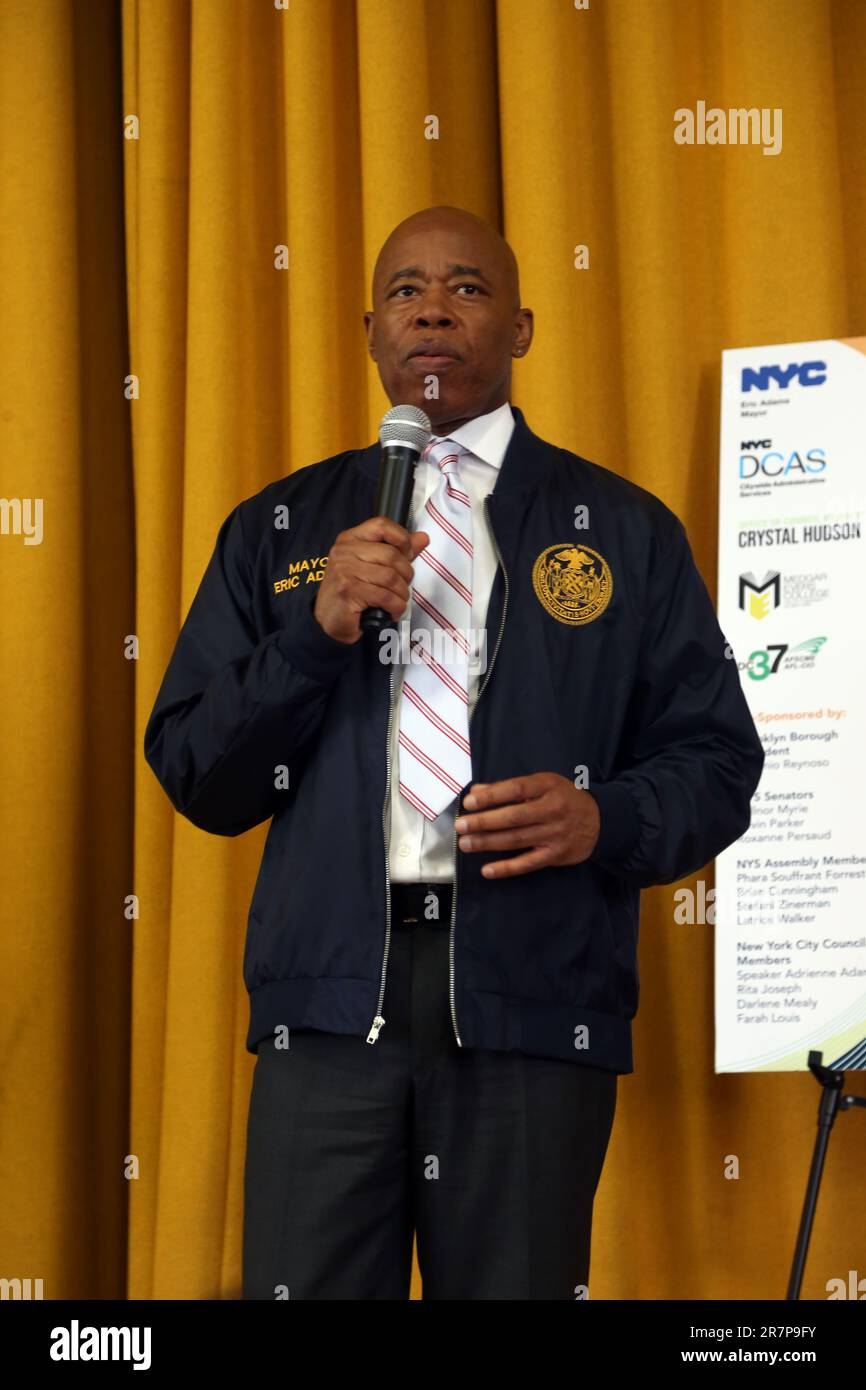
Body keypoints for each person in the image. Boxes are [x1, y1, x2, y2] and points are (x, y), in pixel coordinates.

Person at [144, 205, 764, 1300]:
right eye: (405, 290)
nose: (433, 308)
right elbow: (199, 770)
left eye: (467, 287)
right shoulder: (278, 531)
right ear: (370, 330)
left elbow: (716, 760)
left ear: (520, 328)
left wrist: (602, 818)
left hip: (532, 1006)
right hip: (329, 1017)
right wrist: (314, 632)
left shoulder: (622, 530)